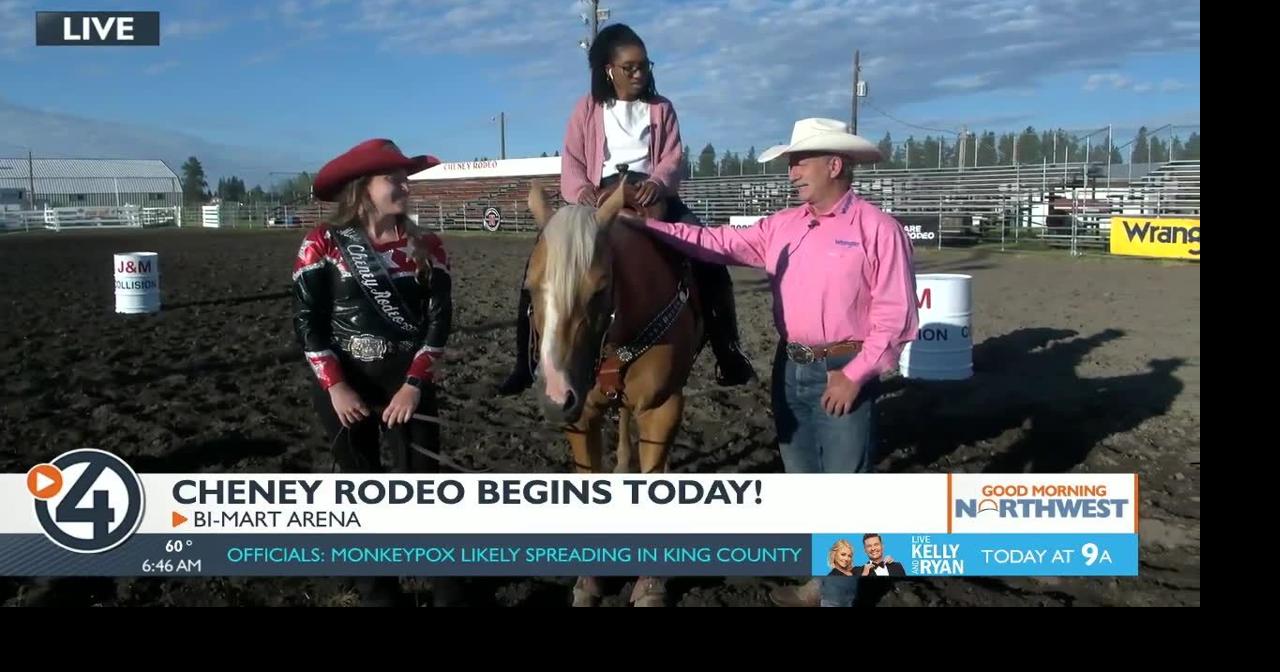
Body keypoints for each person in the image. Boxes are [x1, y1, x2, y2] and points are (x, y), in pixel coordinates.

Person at [619, 118, 919, 607]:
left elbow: (896, 318)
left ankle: (838, 598)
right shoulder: (782, 226)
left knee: (843, 494)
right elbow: (716, 244)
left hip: (843, 366)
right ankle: (826, 580)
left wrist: (856, 374)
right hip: (791, 366)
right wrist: (650, 228)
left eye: (800, 162)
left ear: (835, 164)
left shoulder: (878, 230)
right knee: (805, 489)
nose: (792, 172)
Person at [496, 22, 756, 395]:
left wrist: (657, 183)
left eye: (645, 65)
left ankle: (728, 351)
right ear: (609, 70)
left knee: (709, 255)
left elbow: (672, 155)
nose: (639, 73)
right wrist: (583, 191)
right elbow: (571, 159)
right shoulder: (586, 109)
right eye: (630, 67)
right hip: (598, 198)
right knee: (539, 265)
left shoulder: (661, 108)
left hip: (652, 194)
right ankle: (525, 362)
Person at [292, 138, 455, 606]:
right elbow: (308, 323)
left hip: (409, 386)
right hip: (345, 386)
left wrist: (413, 385)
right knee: (359, 486)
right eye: (393, 178)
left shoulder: (428, 246)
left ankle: (445, 588)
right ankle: (378, 591)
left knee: (427, 487)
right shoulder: (320, 244)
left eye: (405, 177)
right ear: (363, 189)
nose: (405, 185)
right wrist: (336, 386)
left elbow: (439, 322)